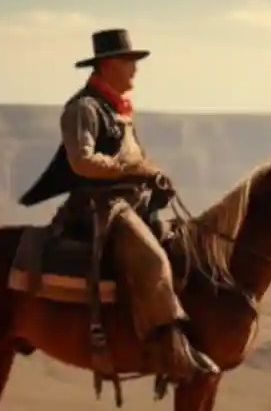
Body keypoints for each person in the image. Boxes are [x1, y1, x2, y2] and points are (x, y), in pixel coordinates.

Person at [52, 28, 219, 383]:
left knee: (180, 247)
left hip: (131, 201)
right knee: (153, 259)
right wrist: (130, 169)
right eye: (129, 62)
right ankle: (172, 351)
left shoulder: (119, 109)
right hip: (101, 206)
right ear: (109, 65)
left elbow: (133, 159)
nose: (135, 70)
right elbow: (82, 161)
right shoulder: (84, 108)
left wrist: (151, 176)